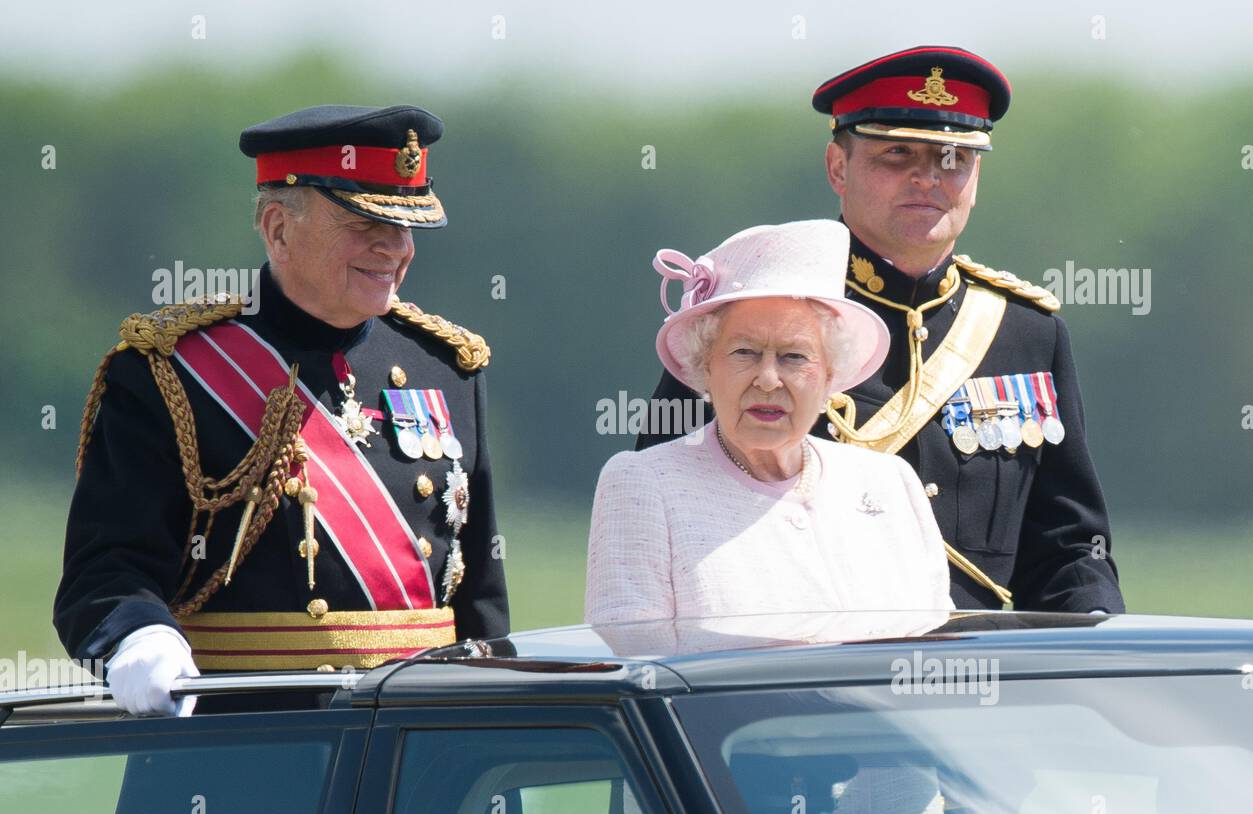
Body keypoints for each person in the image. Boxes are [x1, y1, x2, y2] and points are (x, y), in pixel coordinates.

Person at [635, 46, 1125, 615]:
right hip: (802, 657)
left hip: (983, 661)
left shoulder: (1025, 333)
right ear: (838, 168)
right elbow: (664, 513)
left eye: (953, 158)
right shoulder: (754, 314)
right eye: (897, 154)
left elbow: (1067, 549)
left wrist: (1099, 639)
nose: (928, 178)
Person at [55, 105, 509, 715]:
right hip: (244, 737)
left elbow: (480, 600)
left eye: (406, 227)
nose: (394, 248)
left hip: (417, 741)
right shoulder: (171, 370)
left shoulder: (445, 368)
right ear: (278, 229)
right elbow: (105, 571)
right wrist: (141, 640)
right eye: (365, 223)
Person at [585, 220, 955, 655]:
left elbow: (936, 651)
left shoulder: (890, 482)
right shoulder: (644, 483)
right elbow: (638, 665)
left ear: (830, 374)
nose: (767, 379)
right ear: (705, 366)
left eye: (793, 356)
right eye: (744, 352)